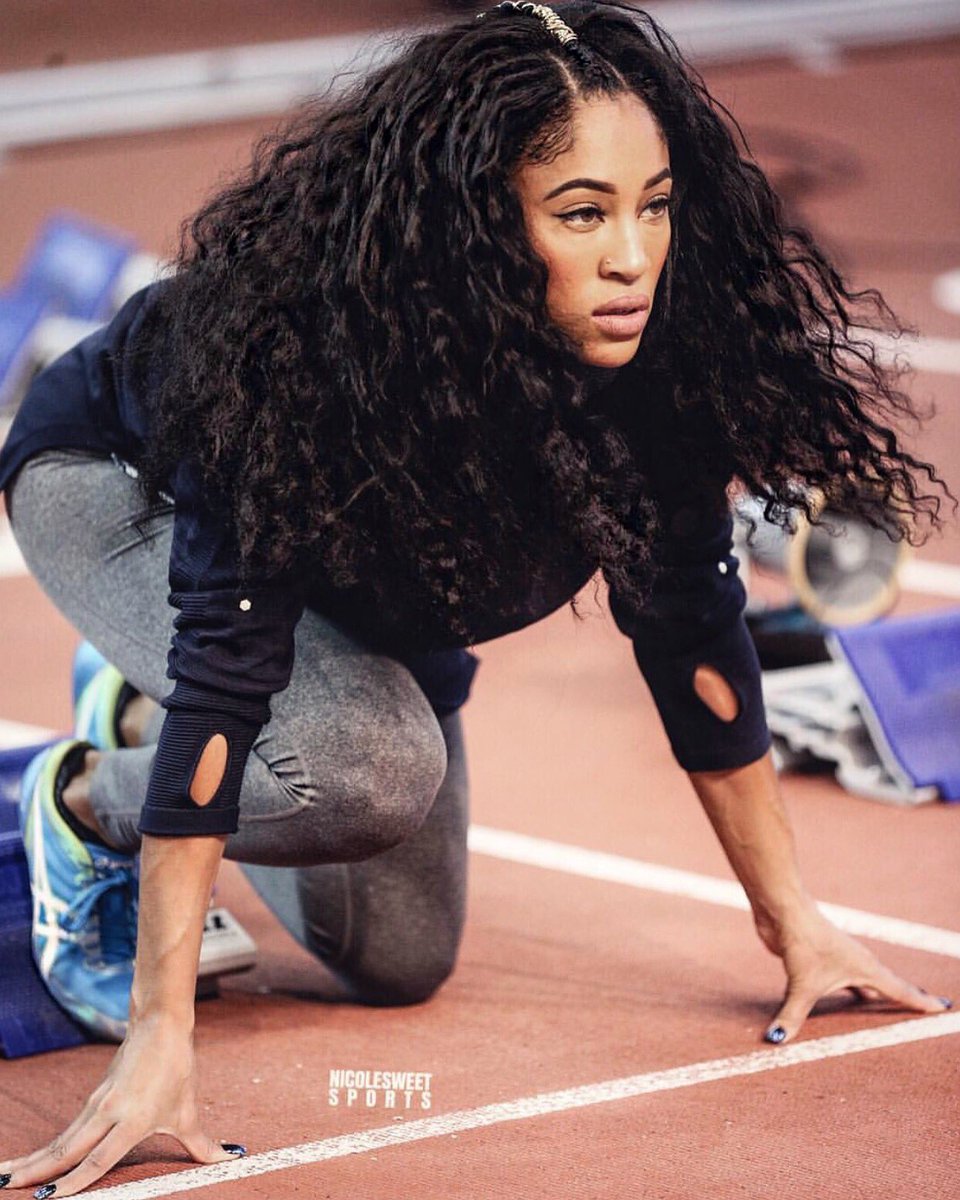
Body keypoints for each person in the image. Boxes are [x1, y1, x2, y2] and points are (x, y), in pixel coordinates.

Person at [0, 3, 952, 1194]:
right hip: (117, 482)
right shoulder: (300, 363)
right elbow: (232, 675)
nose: (633, 256)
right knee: (366, 766)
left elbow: (697, 640)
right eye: (583, 213)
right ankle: (83, 799)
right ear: (477, 224)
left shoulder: (657, 361)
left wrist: (791, 920)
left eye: (655, 204)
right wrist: (161, 1035)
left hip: (340, 579)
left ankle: (139, 703)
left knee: (398, 960)